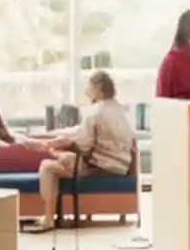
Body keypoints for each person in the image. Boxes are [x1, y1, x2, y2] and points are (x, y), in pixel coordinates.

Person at [24, 71, 136, 233]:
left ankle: (48, 219)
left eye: (89, 87)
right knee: (63, 159)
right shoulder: (122, 111)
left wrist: (58, 144)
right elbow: (82, 132)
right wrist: (58, 136)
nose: (87, 92)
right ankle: (59, 215)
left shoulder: (94, 112)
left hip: (101, 167)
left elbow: (84, 144)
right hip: (121, 165)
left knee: (47, 167)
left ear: (98, 89)